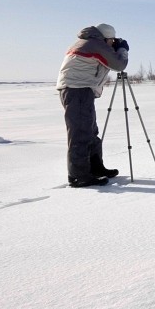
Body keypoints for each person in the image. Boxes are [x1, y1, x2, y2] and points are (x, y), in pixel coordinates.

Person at [56, 24, 130, 187]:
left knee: (90, 131)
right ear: (105, 38)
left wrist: (113, 47)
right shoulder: (95, 44)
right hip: (77, 90)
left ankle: (95, 168)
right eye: (111, 40)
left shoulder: (88, 42)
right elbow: (118, 64)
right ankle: (79, 175)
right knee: (80, 133)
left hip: (79, 89)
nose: (112, 43)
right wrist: (122, 50)